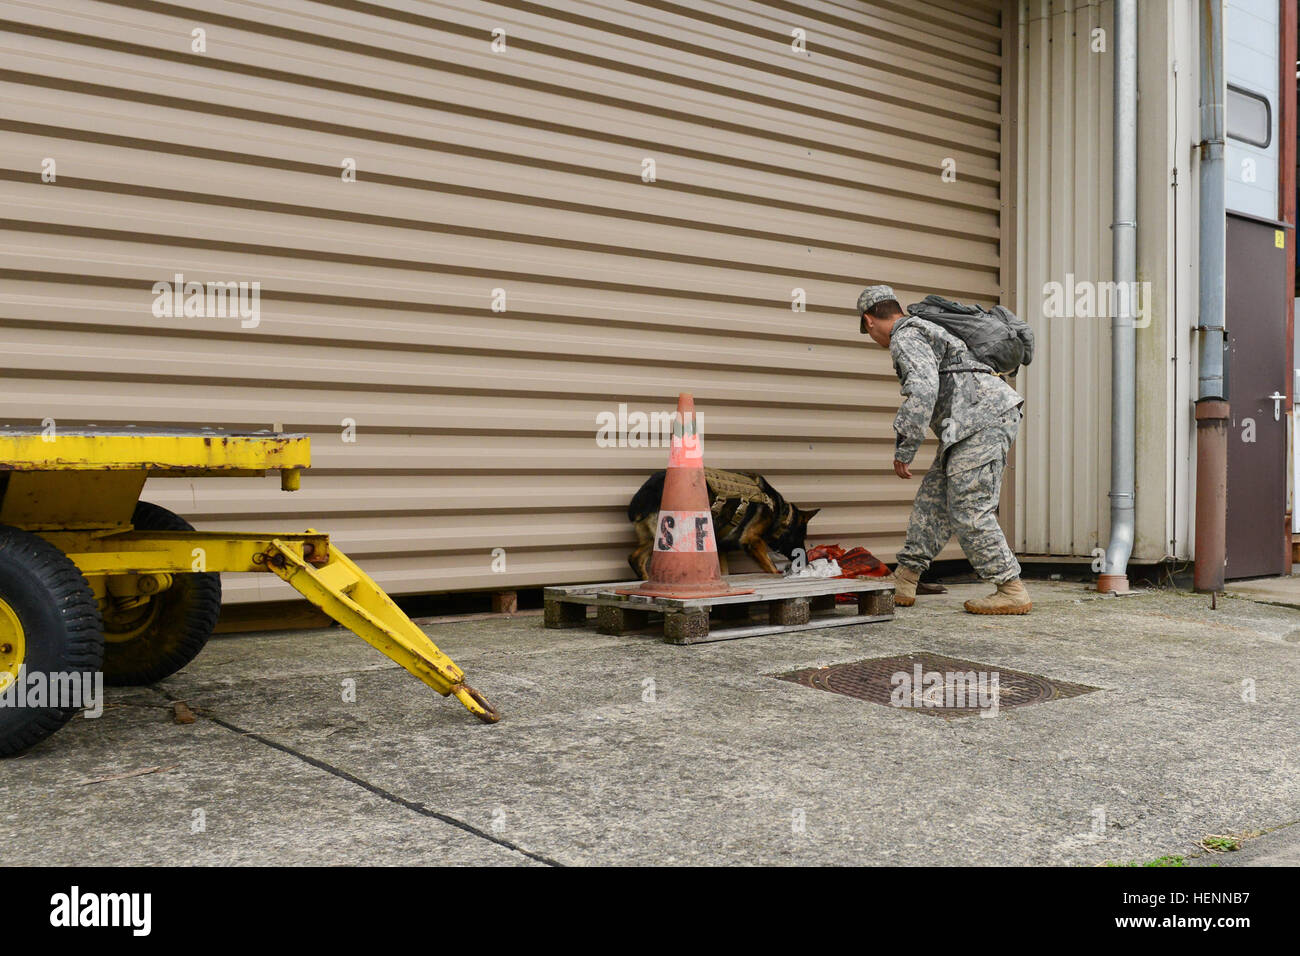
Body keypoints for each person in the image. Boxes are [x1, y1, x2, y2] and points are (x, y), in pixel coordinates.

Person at [857, 285, 1031, 614]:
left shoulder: (905, 335)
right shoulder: (924, 329)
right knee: (932, 502)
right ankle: (905, 579)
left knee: (969, 506)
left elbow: (922, 389)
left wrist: (904, 447)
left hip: (981, 419)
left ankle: (1010, 588)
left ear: (869, 321)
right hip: (966, 424)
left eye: (869, 332)